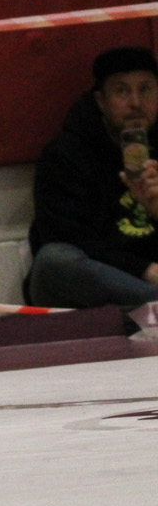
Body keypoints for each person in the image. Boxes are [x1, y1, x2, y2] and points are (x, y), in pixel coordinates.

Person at [27, 45, 158, 309]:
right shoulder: (65, 155)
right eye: (122, 91)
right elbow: (70, 240)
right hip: (98, 290)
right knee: (55, 260)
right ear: (101, 101)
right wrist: (144, 270)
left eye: (145, 89)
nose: (135, 102)